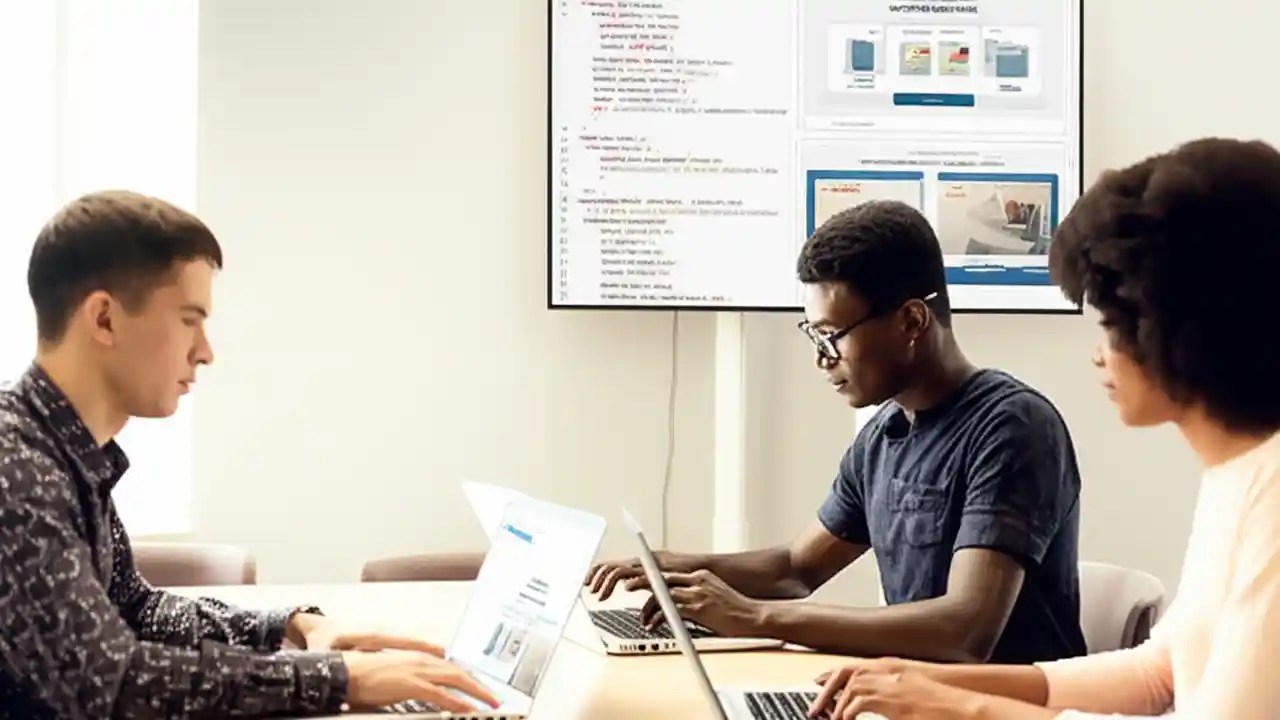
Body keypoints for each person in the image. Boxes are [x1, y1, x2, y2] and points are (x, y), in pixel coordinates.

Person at [808, 137, 1280, 719]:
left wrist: (961, 709)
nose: (1099, 354)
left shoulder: (1272, 495)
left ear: (1185, 328)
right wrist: (924, 680)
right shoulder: (1237, 477)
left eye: (1109, 323)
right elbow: (1157, 672)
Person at [0, 190, 499, 717]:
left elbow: (137, 607)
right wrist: (339, 678)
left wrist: (288, 625)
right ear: (103, 319)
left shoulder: (61, 449)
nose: (206, 351)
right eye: (190, 319)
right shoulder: (16, 466)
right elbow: (115, 684)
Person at [586, 200, 1087, 664]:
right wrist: (677, 567)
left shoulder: (1012, 428)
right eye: (814, 335)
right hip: (914, 702)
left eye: (832, 336)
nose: (821, 359)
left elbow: (964, 630)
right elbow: (795, 570)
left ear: (912, 320)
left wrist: (753, 617)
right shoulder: (884, 437)